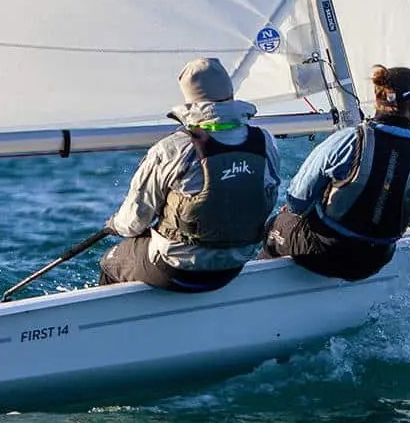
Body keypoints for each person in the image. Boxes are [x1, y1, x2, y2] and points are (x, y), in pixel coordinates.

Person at [98, 57, 280, 292]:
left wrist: (114, 224)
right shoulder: (265, 141)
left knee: (110, 262)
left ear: (189, 99)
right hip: (235, 265)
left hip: (177, 269)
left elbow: (133, 222)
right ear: (230, 92)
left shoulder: (172, 148)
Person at [260, 65, 410, 281]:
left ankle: (259, 288)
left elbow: (297, 201)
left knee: (274, 226)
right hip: (375, 261)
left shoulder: (349, 140)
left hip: (322, 252)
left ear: (377, 100)